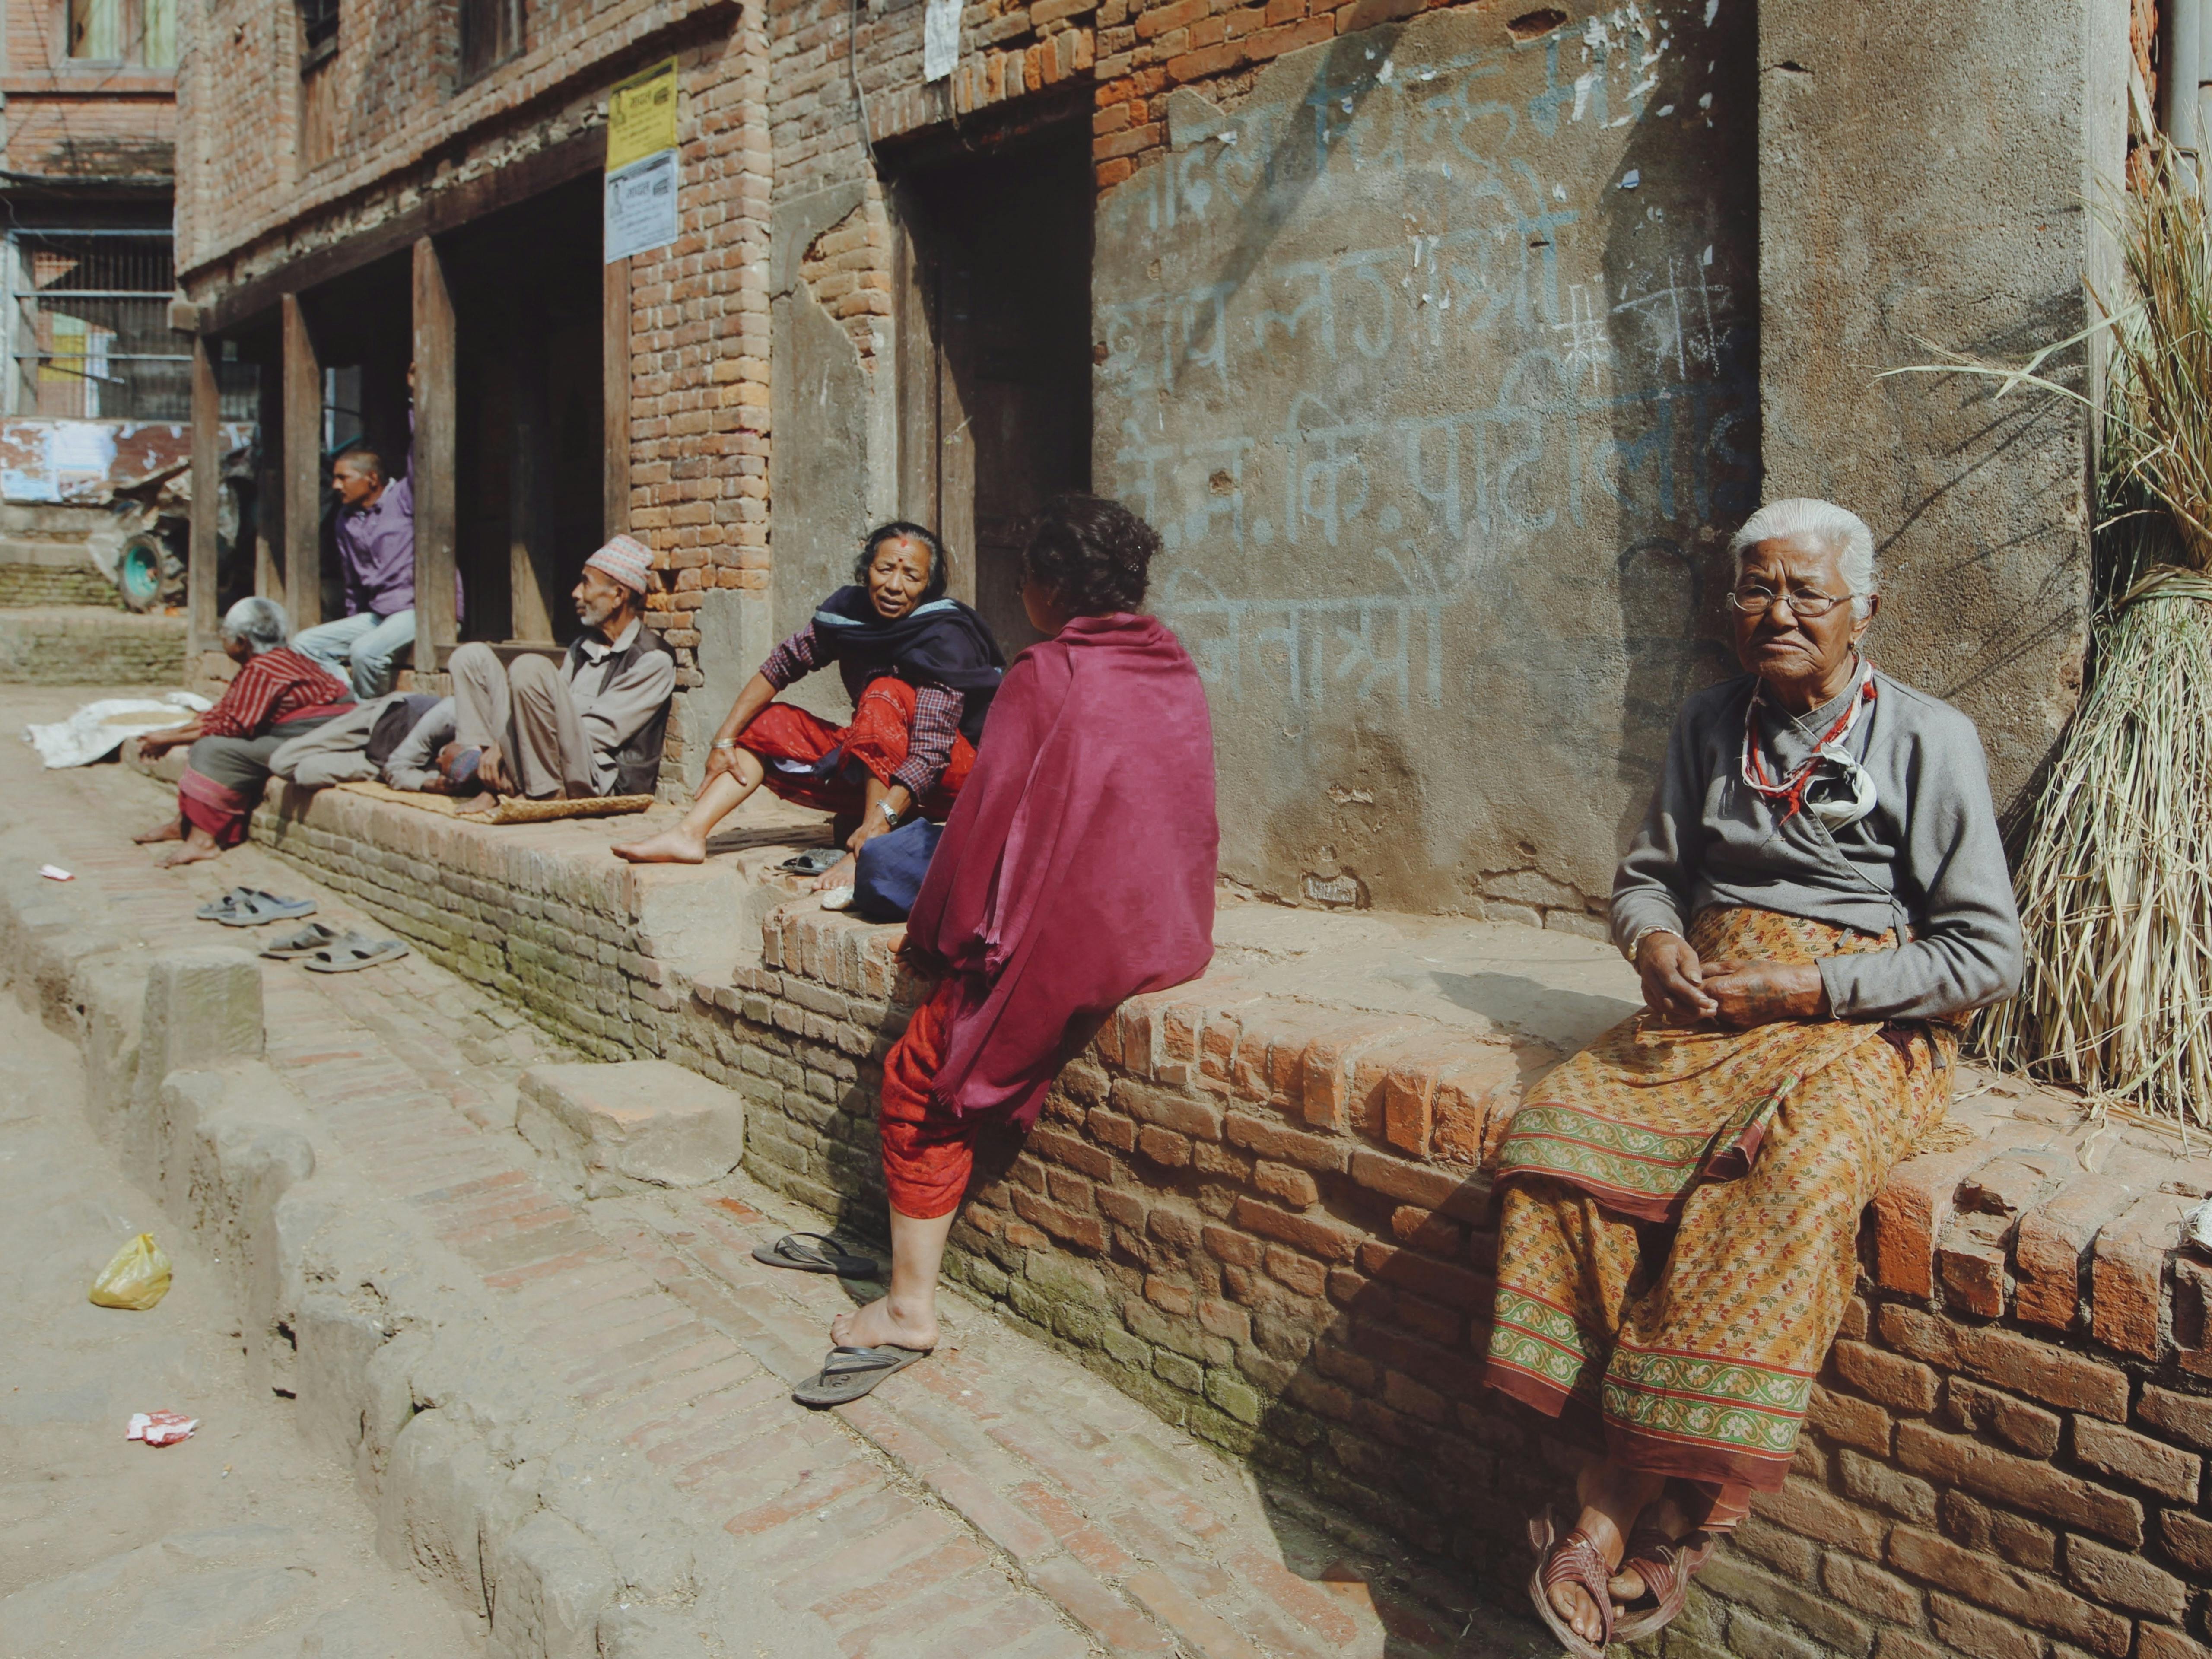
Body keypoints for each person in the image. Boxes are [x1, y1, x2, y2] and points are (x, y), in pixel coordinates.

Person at [1490, 499, 2024, 1655]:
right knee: (1555, 1148)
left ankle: (1623, 1507)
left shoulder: (1929, 740)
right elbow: (1645, 882)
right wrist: (1658, 948)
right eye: (1755, 591)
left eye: (1806, 595)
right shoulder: (1708, 724)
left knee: (1783, 1179)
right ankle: (1659, 1485)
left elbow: (1985, 956)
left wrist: (1810, 992)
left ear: (1863, 612)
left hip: (1865, 1024)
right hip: (1714, 1000)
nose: (1775, 614)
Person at [776, 495, 1218, 1408]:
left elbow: (986, 833)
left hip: (1074, 933)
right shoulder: (1171, 665)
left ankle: (906, 1309)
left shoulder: (1046, 671)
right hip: (1163, 924)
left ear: (1051, 587)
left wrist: (934, 939)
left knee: (921, 1082)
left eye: (1025, 579)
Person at [611, 523, 1003, 890]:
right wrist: (724, 739)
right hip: (879, 771)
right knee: (767, 723)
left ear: (928, 587)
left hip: (948, 777)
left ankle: (865, 849)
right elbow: (781, 665)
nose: (894, 586)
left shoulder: (944, 636)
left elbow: (930, 753)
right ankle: (689, 834)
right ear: (867, 569)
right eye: (885, 569)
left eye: (911, 577)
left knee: (885, 691)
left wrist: (872, 832)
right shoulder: (849, 616)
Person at [444, 533, 677, 809]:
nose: (576, 593)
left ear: (618, 596)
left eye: (586, 583)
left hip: (597, 775)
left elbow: (598, 734)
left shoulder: (653, 659)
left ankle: (544, 794)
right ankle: (492, 782)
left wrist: (506, 746)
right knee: (471, 657)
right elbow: (542, 716)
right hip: (546, 756)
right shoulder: (583, 646)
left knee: (529, 668)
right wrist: (502, 745)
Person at [133, 597, 355, 867]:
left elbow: (233, 727)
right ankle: (185, 824)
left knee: (212, 750)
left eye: (225, 636)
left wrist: (168, 739)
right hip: (305, 733)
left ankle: (203, 841)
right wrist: (169, 734)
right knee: (205, 741)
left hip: (313, 737)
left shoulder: (264, 668)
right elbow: (221, 713)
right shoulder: (277, 660)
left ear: (242, 642)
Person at [292, 447, 420, 700]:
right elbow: (353, 580)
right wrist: (355, 619)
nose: (336, 486)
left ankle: (371, 720)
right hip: (378, 614)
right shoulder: (346, 519)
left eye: (344, 478)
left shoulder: (404, 498)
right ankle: (351, 702)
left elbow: (420, 456)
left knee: (365, 652)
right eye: (335, 479)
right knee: (304, 644)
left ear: (372, 479)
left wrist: (413, 409)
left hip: (415, 610)